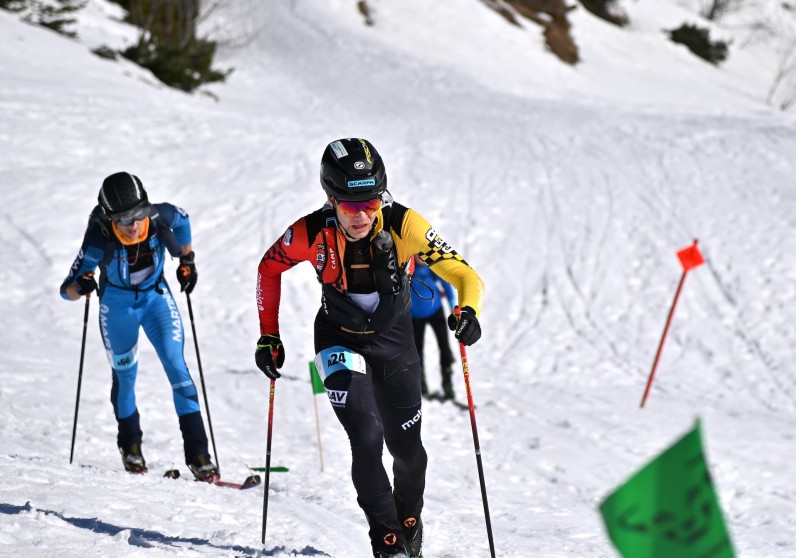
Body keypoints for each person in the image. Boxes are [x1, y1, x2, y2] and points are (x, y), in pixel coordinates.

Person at [254, 138, 484, 557]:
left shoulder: (405, 224)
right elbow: (269, 267)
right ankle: (387, 539)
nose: (361, 215)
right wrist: (269, 333)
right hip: (337, 338)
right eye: (349, 205)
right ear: (330, 199)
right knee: (366, 435)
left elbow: (466, 275)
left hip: (394, 344)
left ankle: (408, 520)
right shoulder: (309, 231)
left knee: (408, 452)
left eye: (370, 203)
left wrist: (468, 311)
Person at [59, 172, 218, 482]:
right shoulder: (98, 238)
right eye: (124, 218)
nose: (134, 224)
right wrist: (82, 285)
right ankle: (130, 445)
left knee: (176, 365)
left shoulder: (160, 215)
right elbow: (65, 291)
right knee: (126, 375)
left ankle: (199, 454)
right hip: (117, 308)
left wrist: (187, 261)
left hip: (155, 299)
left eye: (139, 213)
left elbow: (183, 221)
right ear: (110, 218)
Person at [410, 256, 457, 400]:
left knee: (445, 347)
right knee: (417, 351)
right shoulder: (408, 268)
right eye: (418, 254)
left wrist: (454, 308)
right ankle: (421, 384)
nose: (421, 257)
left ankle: (447, 382)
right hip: (414, 316)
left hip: (436, 312)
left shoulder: (433, 267)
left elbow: (447, 287)